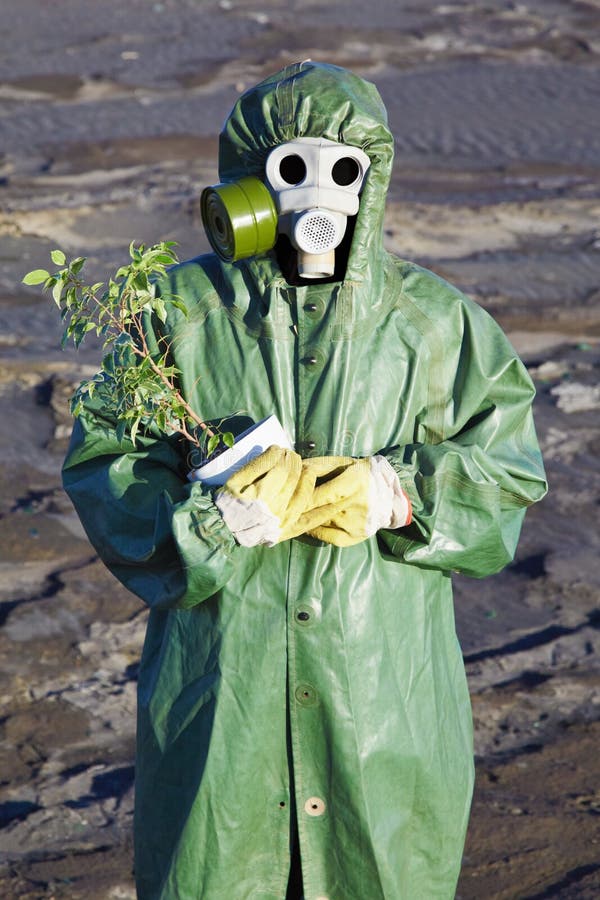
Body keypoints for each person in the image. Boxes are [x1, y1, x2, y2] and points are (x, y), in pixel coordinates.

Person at [62, 61, 547, 900]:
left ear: (374, 181)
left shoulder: (436, 327)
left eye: (343, 170)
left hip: (382, 711)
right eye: (292, 170)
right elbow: (109, 466)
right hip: (223, 707)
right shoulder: (175, 316)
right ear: (249, 184)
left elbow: (507, 475)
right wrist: (209, 524)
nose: (317, 196)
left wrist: (398, 493)